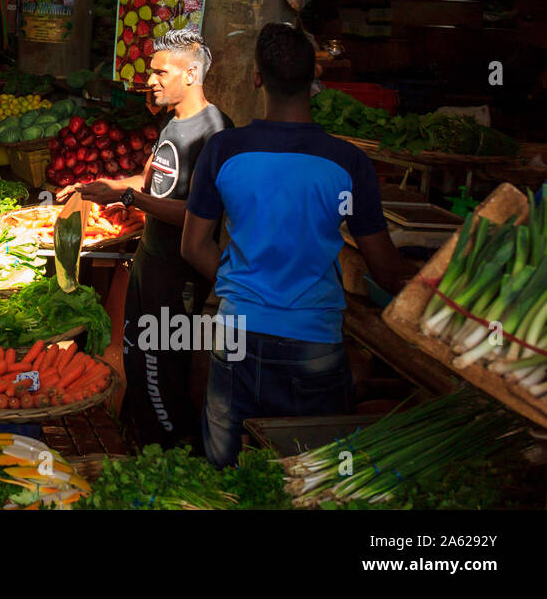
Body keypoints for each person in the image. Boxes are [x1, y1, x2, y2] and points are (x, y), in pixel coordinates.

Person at [181, 23, 415, 467]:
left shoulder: (224, 151)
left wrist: (245, 285)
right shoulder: (348, 163)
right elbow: (386, 271)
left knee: (226, 479)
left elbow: (193, 248)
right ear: (314, 80)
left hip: (237, 333)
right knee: (310, 479)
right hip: (314, 343)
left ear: (256, 77)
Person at [59, 29, 229, 451]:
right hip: (151, 265)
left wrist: (134, 199)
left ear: (191, 74)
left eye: (160, 73)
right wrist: (105, 186)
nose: (149, 81)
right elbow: (148, 181)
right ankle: (147, 450)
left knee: (161, 374)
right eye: (150, 72)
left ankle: (170, 460)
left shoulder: (213, 133)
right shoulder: (175, 122)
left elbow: (196, 214)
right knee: (140, 363)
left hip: (178, 277)